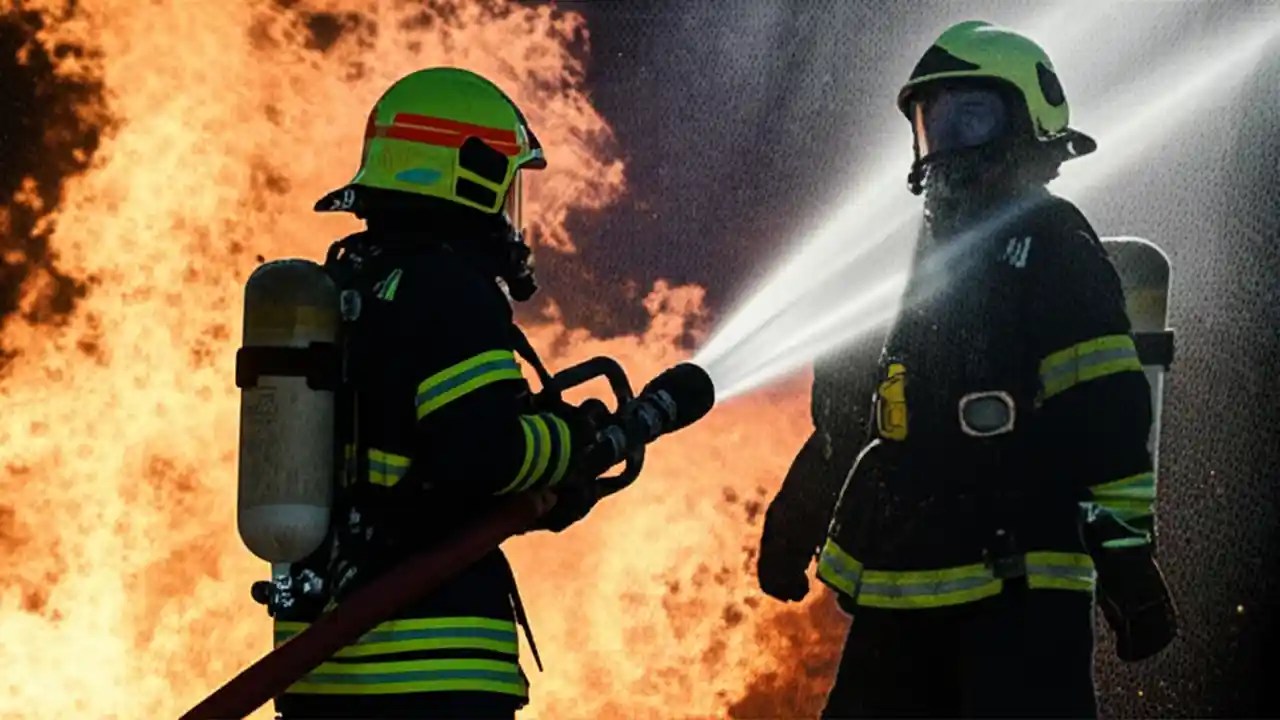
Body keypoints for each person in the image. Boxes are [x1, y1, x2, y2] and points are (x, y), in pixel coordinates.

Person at [760, 20, 1178, 718]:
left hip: (1020, 592)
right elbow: (852, 421)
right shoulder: (899, 265)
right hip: (898, 593)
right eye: (935, 122)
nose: (949, 143)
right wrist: (796, 516)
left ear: (1030, 122)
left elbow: (1107, 409)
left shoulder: (1052, 239)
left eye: (972, 117)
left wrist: (1127, 561)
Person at [268, 66, 602, 720]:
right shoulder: (449, 289)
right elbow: (482, 455)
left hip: (317, 670)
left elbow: (418, 473)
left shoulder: (349, 285)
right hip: (431, 669)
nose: (511, 216)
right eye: (507, 188)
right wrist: (569, 441)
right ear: (469, 173)